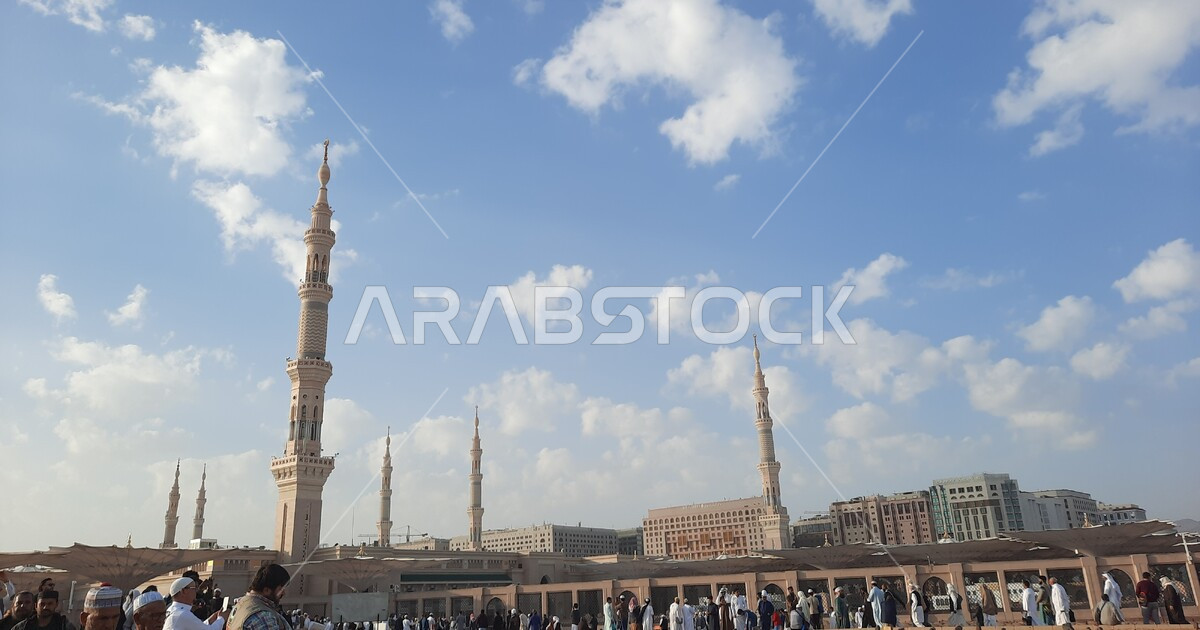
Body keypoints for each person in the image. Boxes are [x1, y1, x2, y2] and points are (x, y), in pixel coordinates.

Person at [225, 564, 290, 630]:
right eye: (280, 589)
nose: (284, 593)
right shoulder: (263, 617)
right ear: (266, 590)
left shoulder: (241, 605)